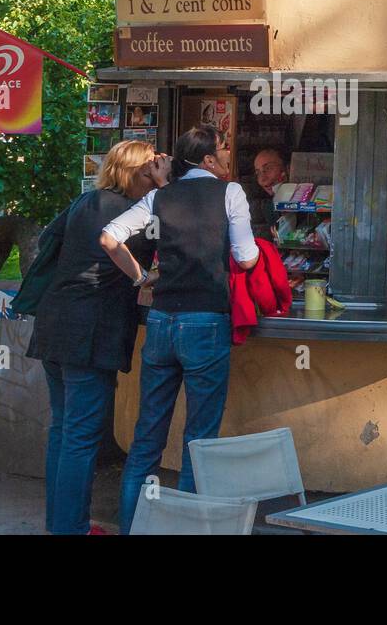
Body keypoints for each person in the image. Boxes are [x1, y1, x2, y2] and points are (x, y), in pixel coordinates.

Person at [102, 124, 260, 535]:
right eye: (223, 149)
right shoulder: (230, 193)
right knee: (199, 439)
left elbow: (110, 238)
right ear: (208, 159)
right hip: (206, 321)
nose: (227, 154)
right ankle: (187, 528)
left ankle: (133, 526)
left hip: (162, 320)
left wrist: (141, 278)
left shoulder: (159, 196)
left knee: (147, 433)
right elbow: (246, 257)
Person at [26, 141, 171, 535]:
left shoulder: (86, 201)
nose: (156, 174)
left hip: (54, 323)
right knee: (80, 437)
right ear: (136, 172)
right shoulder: (137, 210)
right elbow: (175, 236)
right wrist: (165, 187)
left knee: (63, 430)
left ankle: (62, 523)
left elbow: (48, 240)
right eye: (151, 169)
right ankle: (70, 528)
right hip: (90, 332)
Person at [244, 146, 289, 240]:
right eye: (258, 173)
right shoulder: (262, 207)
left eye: (268, 168)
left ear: (287, 168)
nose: (262, 179)